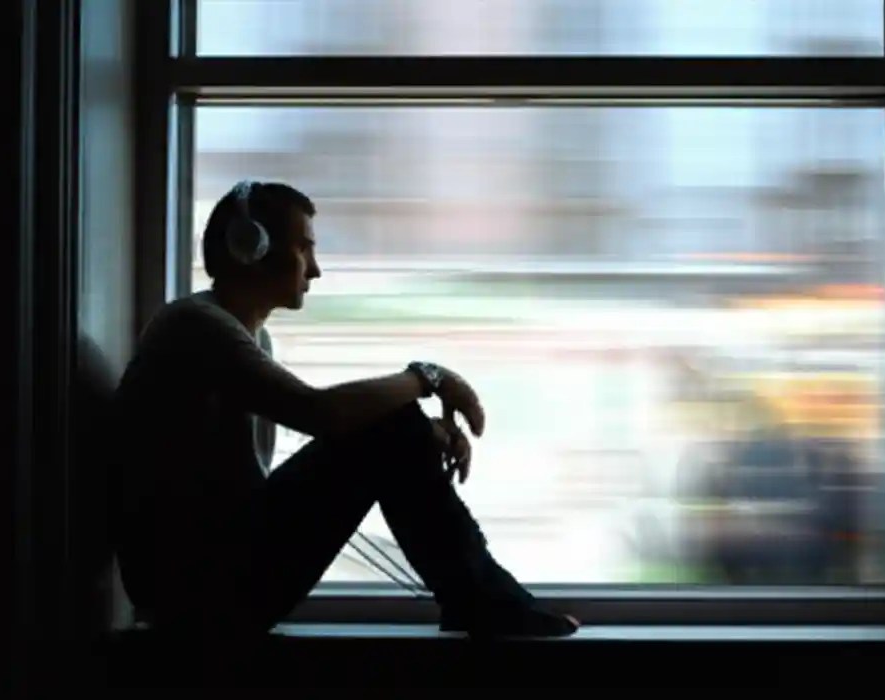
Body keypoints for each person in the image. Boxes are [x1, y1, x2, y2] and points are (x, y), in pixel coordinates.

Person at [111, 179, 579, 639]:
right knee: (392, 424)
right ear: (249, 247)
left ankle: (476, 601)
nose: (314, 270)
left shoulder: (246, 336)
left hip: (210, 579)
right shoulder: (196, 325)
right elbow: (320, 413)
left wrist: (420, 436)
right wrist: (427, 378)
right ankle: (482, 602)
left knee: (396, 427)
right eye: (304, 249)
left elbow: (324, 423)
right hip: (196, 593)